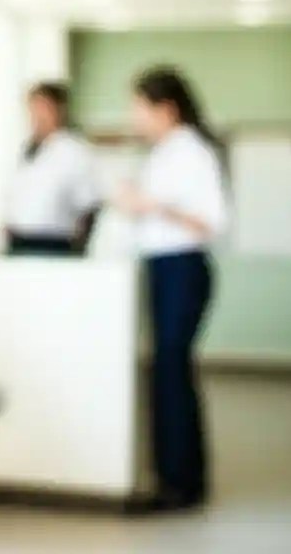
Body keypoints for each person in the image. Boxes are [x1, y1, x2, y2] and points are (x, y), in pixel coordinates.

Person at [116, 65, 226, 512]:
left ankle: (181, 486)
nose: (134, 117)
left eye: (140, 107)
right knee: (166, 372)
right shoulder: (164, 153)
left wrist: (149, 205)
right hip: (162, 268)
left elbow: (211, 222)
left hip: (183, 268)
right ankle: (173, 477)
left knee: (172, 371)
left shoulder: (193, 152)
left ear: (166, 108)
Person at [5, 82, 101, 255]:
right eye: (33, 108)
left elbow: (90, 205)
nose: (36, 116)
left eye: (43, 108)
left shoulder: (74, 151)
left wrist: (79, 249)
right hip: (19, 240)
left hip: (54, 242)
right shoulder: (27, 150)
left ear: (59, 110)